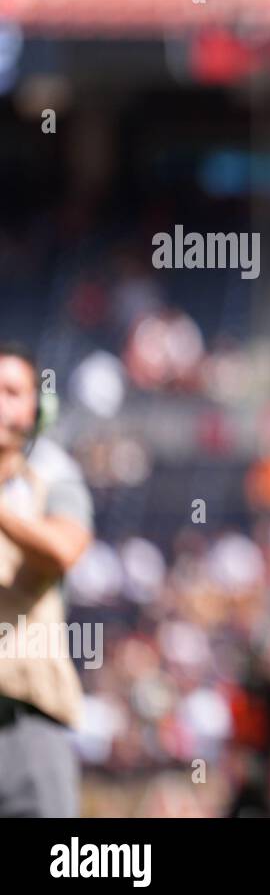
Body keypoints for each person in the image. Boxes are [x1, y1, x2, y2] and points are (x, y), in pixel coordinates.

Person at [0, 341, 94, 817]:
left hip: (25, 725)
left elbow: (63, 550)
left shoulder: (53, 475)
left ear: (39, 406)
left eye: (12, 391)